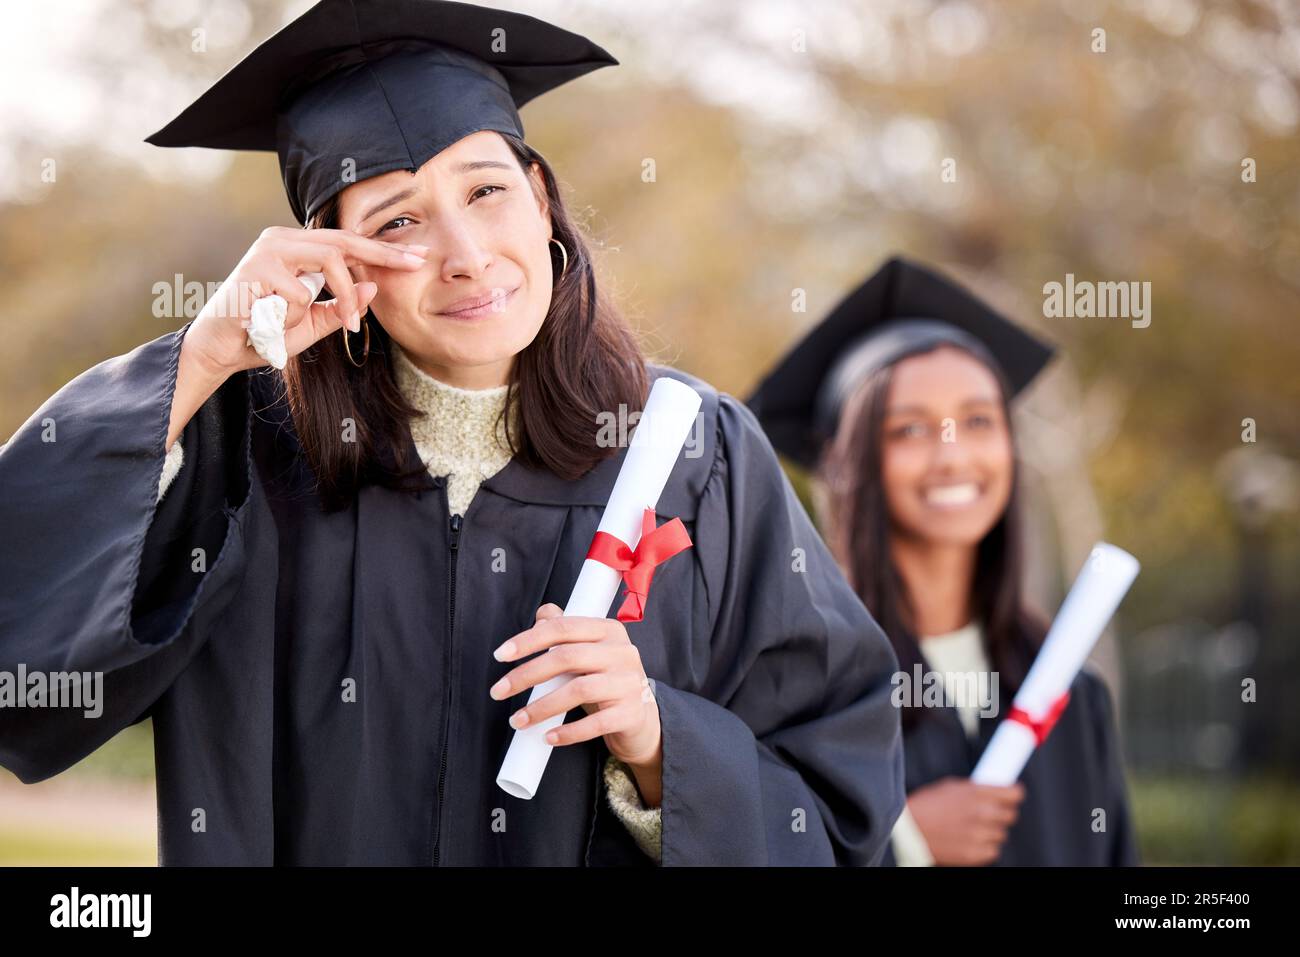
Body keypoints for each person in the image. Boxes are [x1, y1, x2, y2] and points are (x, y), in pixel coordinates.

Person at [0, 0, 905, 867]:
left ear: (541, 197)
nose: (465, 252)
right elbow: (20, 667)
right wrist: (197, 360)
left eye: (486, 191)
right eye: (396, 221)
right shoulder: (242, 460)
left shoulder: (699, 457)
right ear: (332, 258)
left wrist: (660, 741)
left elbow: (834, 805)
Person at [746, 256, 1139, 866]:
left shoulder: (1067, 691)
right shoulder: (800, 684)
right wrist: (902, 840)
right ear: (846, 463)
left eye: (979, 420)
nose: (953, 456)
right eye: (909, 430)